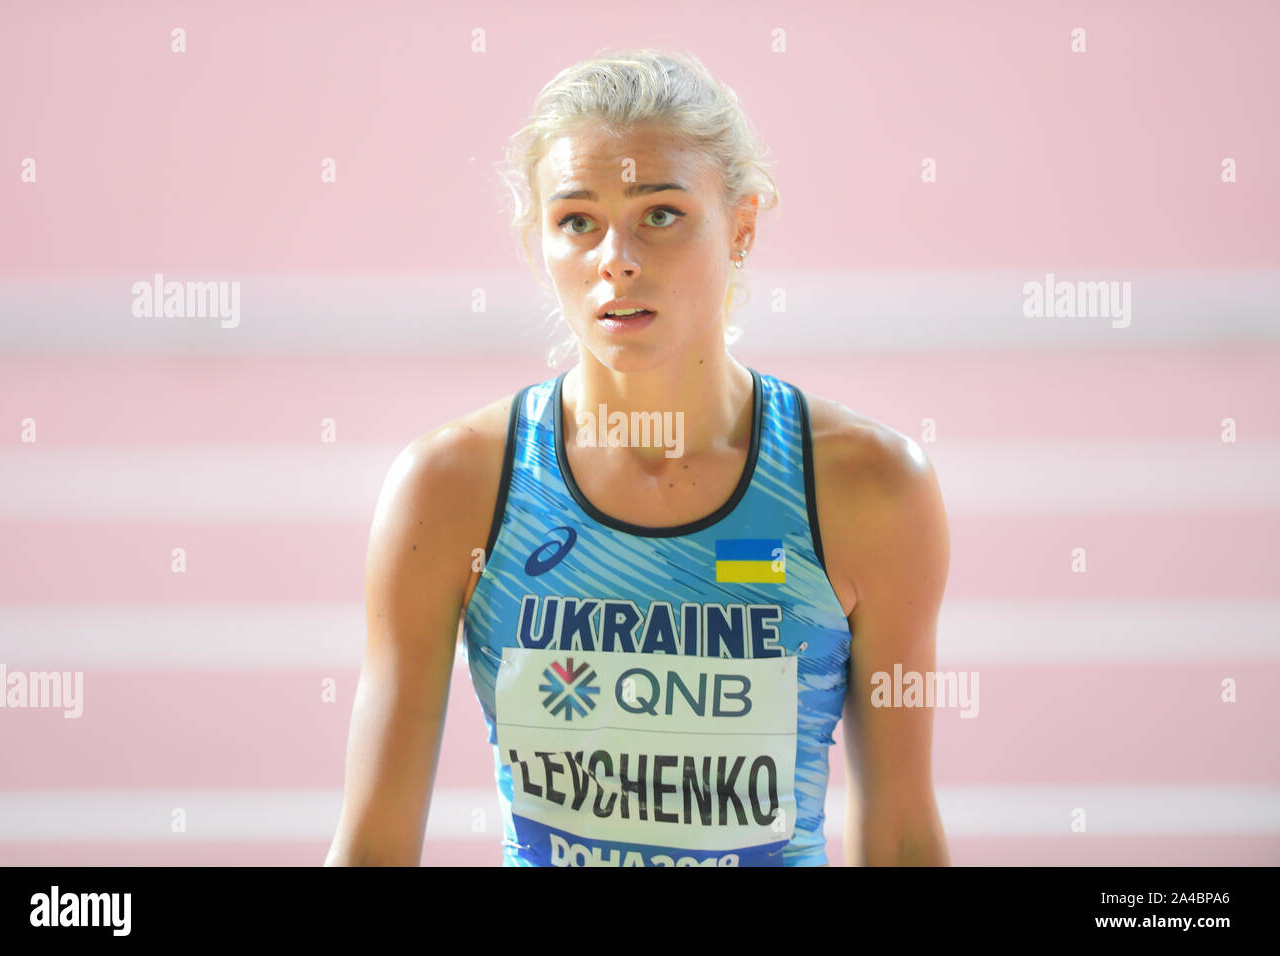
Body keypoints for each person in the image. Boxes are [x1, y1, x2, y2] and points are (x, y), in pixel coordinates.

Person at [325, 49, 950, 867]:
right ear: (537, 240)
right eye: (577, 220)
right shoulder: (452, 489)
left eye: (660, 213)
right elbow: (372, 850)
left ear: (745, 223)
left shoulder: (869, 489)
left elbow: (901, 838)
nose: (615, 257)